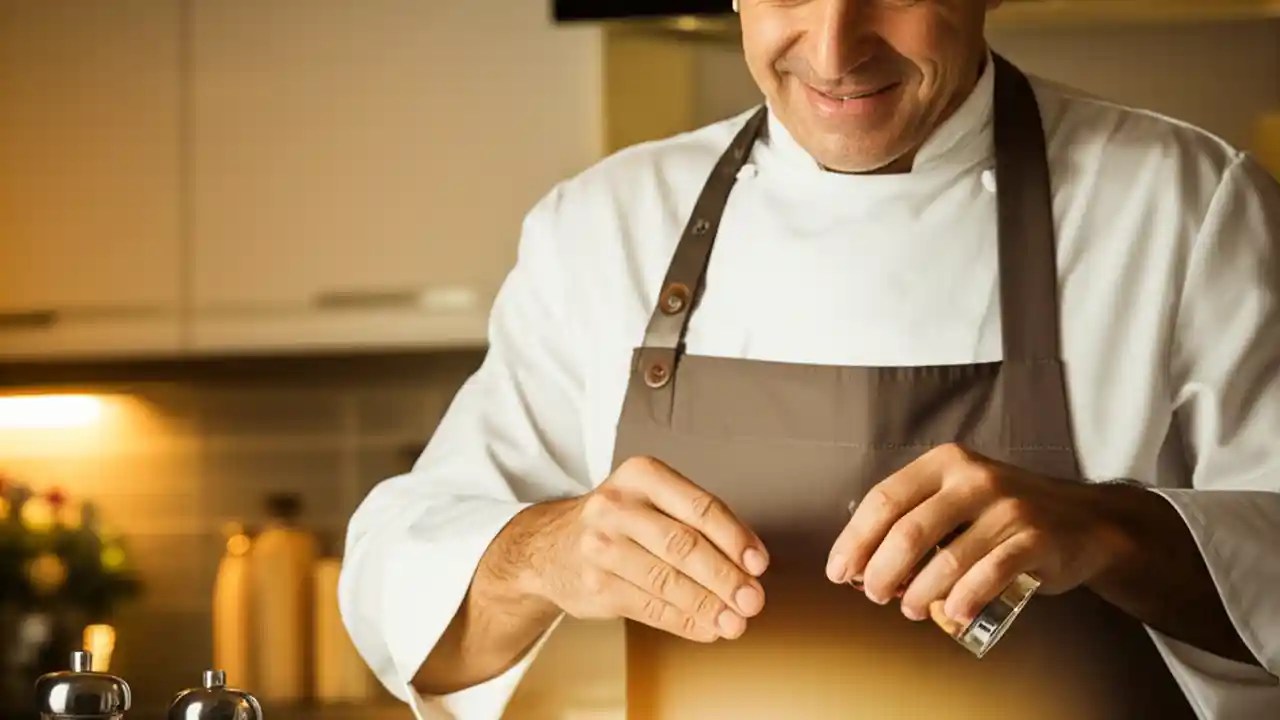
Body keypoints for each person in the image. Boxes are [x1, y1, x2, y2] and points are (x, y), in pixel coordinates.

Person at [339, 0, 1280, 717]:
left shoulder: (1185, 207)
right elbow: (397, 585)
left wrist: (1113, 530)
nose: (836, 50)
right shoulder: (603, 227)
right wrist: (541, 554)